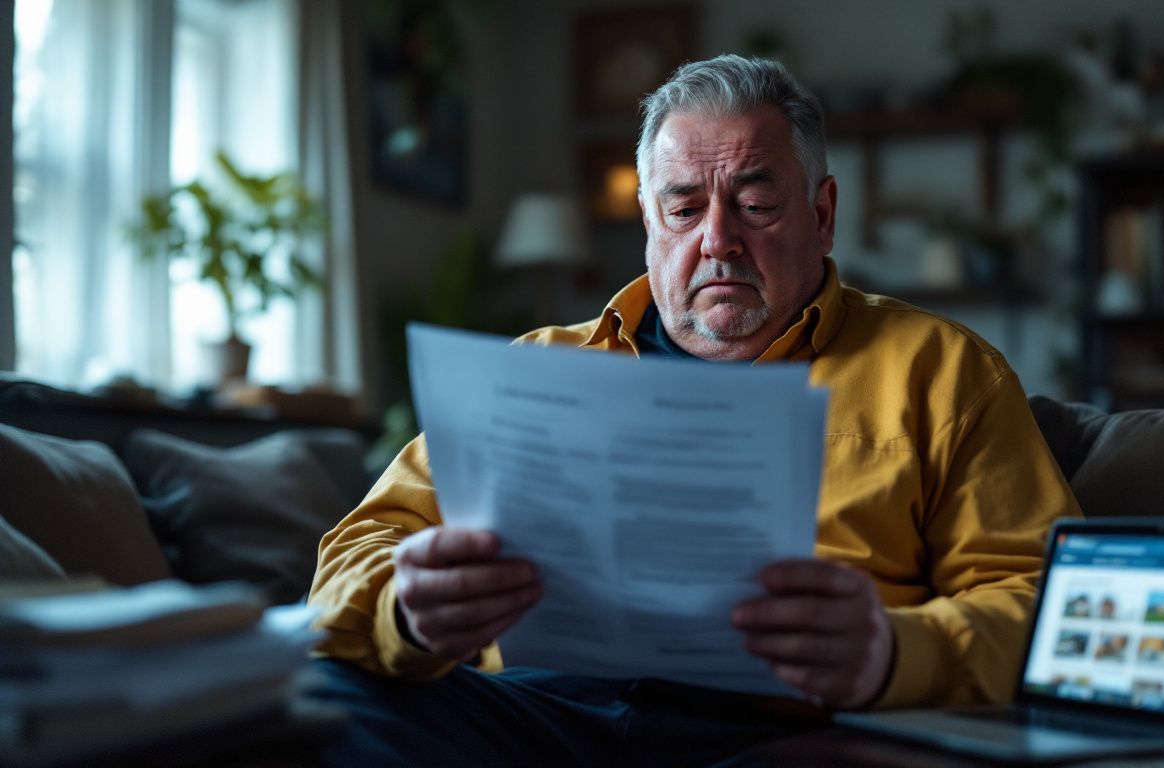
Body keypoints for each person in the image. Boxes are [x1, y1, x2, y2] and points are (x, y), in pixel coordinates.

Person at [307, 54, 1080, 765]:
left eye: (755, 203)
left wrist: (891, 652)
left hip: (789, 733)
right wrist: (407, 612)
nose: (719, 241)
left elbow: (1044, 601)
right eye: (683, 208)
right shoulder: (536, 368)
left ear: (822, 213)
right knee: (318, 704)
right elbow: (357, 550)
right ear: (649, 220)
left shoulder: (943, 372)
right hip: (537, 716)